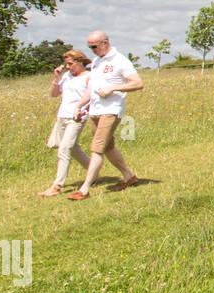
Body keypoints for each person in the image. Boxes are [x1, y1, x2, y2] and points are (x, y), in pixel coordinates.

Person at [68, 30, 142, 200]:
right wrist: (80, 105)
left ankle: (84, 189)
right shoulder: (96, 62)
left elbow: (138, 83)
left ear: (104, 43)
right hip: (95, 110)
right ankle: (128, 176)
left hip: (111, 110)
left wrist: (113, 88)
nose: (92, 50)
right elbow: (91, 88)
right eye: (89, 47)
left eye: (94, 46)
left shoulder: (120, 61)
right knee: (108, 147)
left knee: (97, 148)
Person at [39, 49, 93, 197]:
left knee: (64, 149)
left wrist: (84, 109)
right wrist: (56, 79)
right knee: (73, 148)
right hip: (62, 117)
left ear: (80, 62)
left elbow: (91, 97)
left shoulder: (89, 77)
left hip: (76, 117)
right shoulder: (67, 77)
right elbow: (54, 94)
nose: (68, 67)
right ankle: (93, 172)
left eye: (70, 64)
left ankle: (57, 186)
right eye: (66, 64)